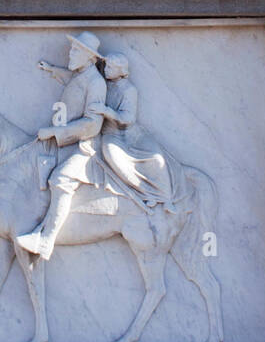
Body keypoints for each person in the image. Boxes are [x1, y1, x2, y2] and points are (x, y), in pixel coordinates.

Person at [16, 32, 108, 260]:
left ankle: (46, 242)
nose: (70, 53)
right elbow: (71, 81)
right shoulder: (82, 76)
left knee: (61, 180)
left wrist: (55, 132)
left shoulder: (96, 83)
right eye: (72, 49)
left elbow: (92, 124)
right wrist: (51, 70)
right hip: (68, 141)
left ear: (89, 58)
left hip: (85, 146)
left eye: (76, 50)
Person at [94, 54, 177, 209]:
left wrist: (106, 111)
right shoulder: (102, 82)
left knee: (156, 158)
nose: (106, 69)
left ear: (121, 71)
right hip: (111, 134)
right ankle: (146, 192)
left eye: (111, 67)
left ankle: (165, 197)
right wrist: (54, 70)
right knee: (115, 158)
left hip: (132, 134)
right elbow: (82, 77)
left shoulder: (129, 90)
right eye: (106, 66)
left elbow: (128, 118)